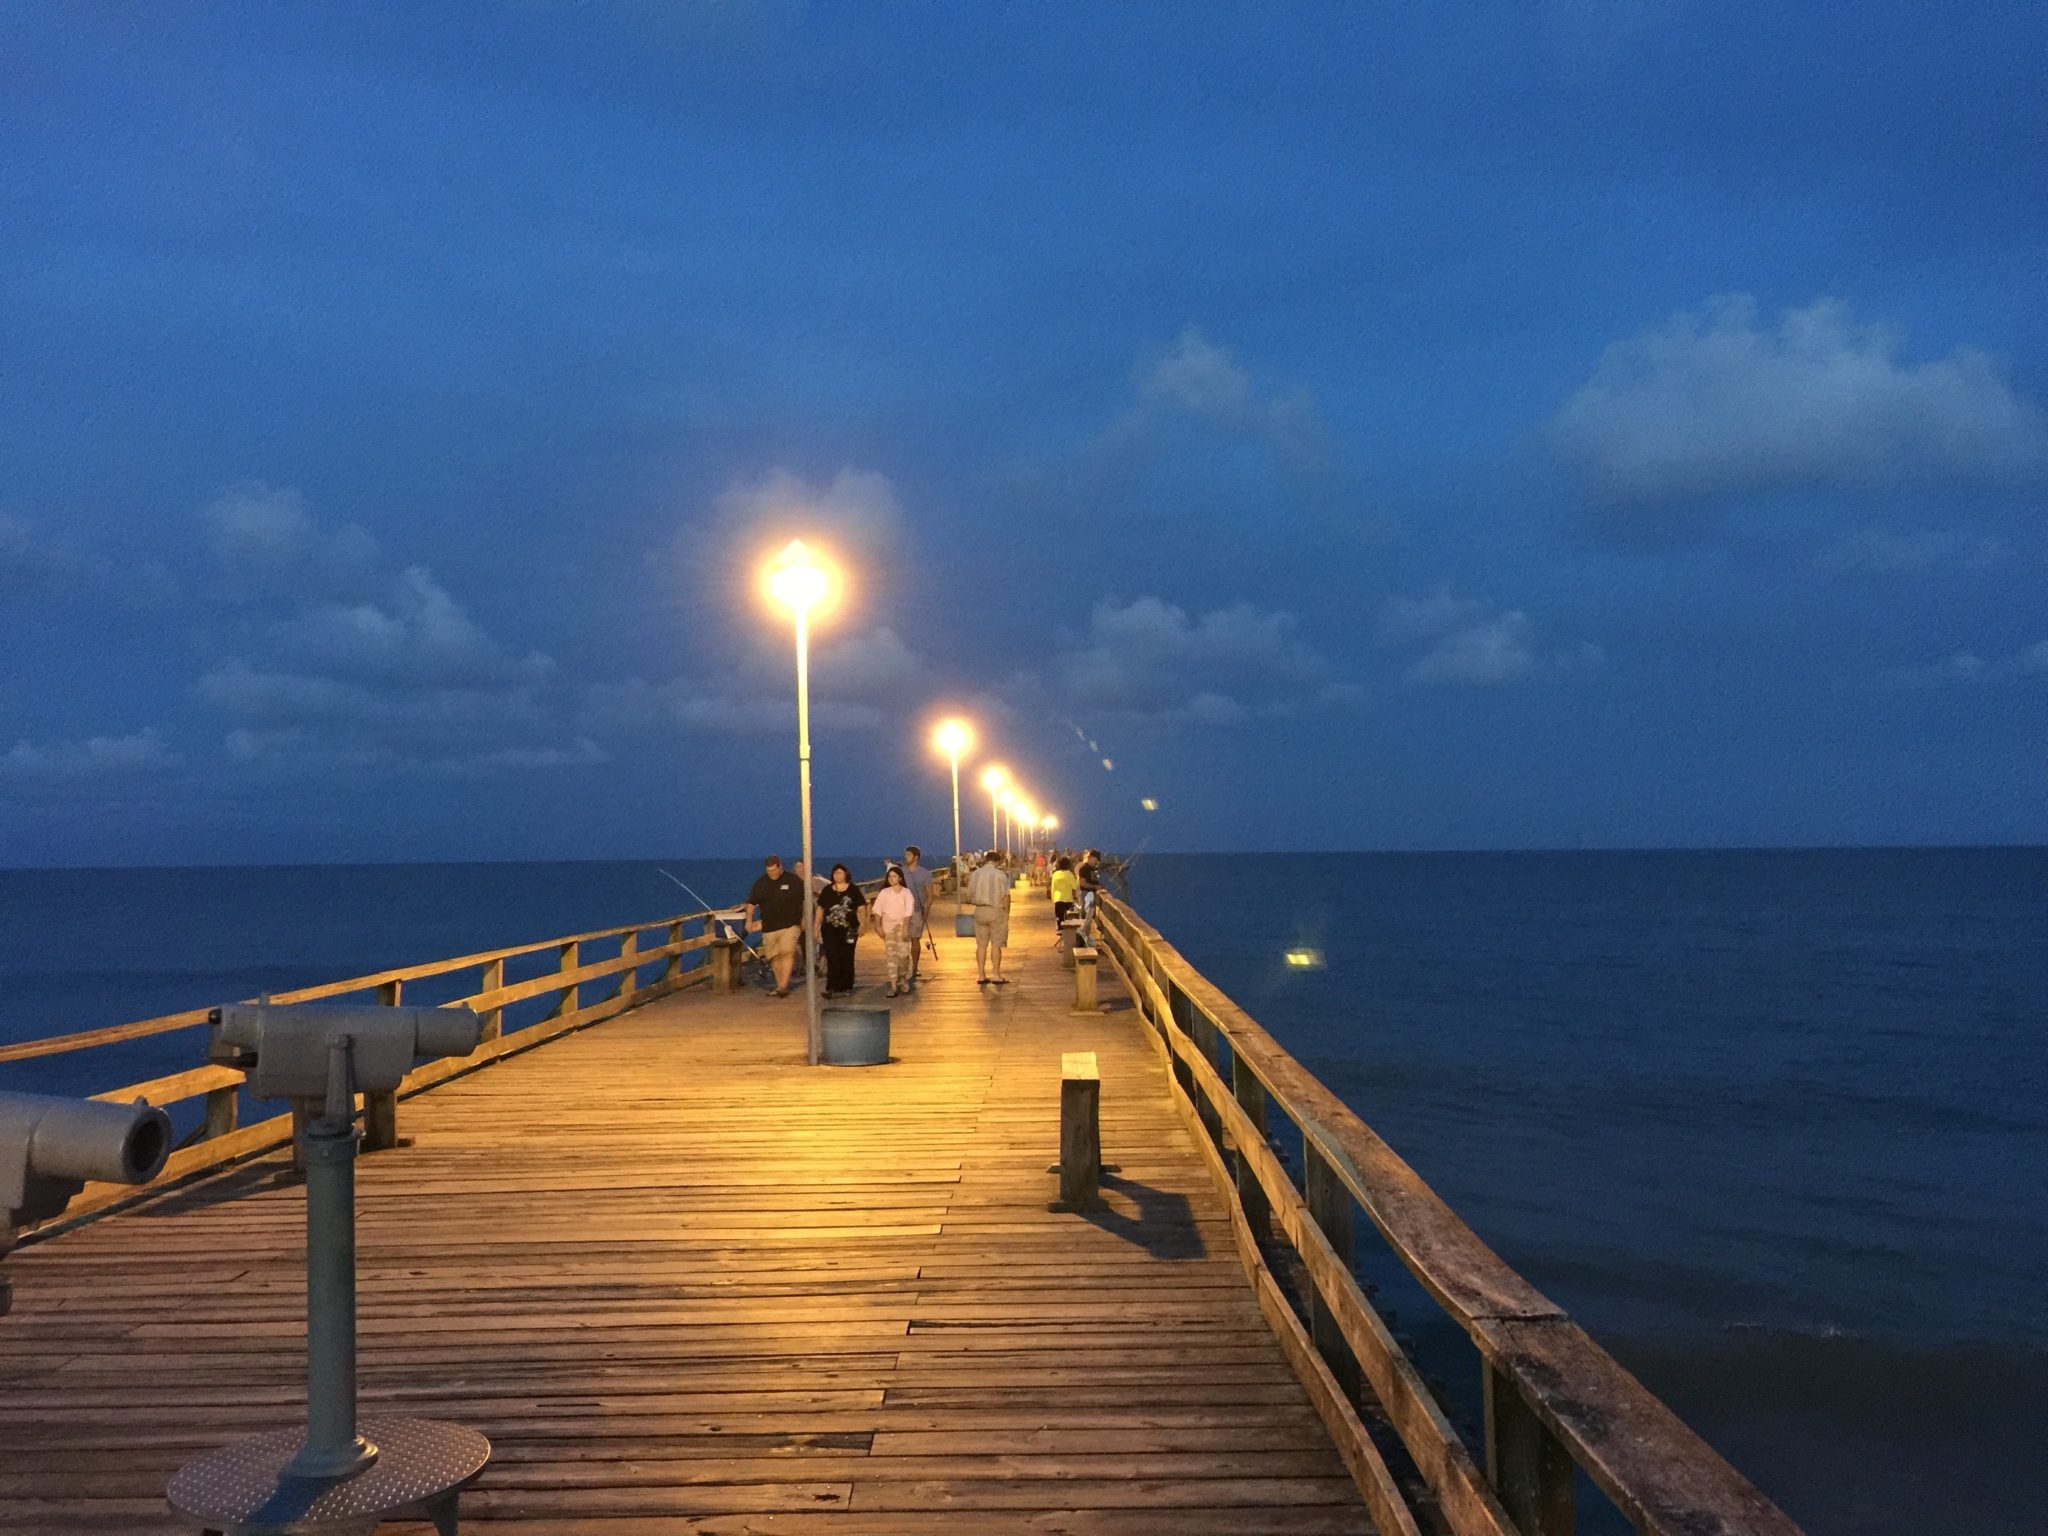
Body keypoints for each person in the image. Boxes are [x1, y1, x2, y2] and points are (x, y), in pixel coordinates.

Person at [743, 854, 805, 998]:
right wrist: (749, 920)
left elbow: (804, 900)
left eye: (774, 870)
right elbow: (752, 903)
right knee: (774, 956)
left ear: (780, 867)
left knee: (787, 951)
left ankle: (784, 985)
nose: (772, 874)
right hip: (769, 925)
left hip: (790, 923)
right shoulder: (761, 883)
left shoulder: (793, 880)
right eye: (769, 871)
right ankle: (780, 984)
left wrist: (804, 920)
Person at [815, 863, 866, 997]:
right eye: (835, 873)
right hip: (830, 930)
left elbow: (861, 908)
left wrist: (863, 924)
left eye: (841, 873)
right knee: (832, 957)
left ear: (846, 874)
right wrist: (815, 928)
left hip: (849, 930)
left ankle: (846, 986)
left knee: (847, 957)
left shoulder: (853, 890)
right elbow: (820, 909)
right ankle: (832, 986)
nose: (838, 875)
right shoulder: (827, 890)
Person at [966, 848, 1012, 987]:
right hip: (996, 910)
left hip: (979, 910)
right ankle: (996, 975)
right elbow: (1006, 896)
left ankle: (981, 975)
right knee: (996, 944)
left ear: (986, 861)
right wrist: (1007, 914)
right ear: (997, 861)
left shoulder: (975, 874)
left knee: (981, 945)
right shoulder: (1000, 875)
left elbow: (969, 894)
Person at [871, 864, 918, 997]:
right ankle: (892, 984)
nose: (892, 879)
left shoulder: (906, 893)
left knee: (903, 955)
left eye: (894, 876)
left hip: (902, 926)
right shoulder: (884, 893)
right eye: (890, 876)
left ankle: (902, 978)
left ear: (900, 878)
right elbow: (878, 911)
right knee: (891, 956)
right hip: (888, 928)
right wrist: (878, 926)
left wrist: (904, 928)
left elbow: (908, 911)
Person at [900, 845, 934, 989]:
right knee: (901, 942)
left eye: (908, 855)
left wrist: (926, 910)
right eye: (905, 854)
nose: (905, 857)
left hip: (916, 911)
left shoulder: (925, 873)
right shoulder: (901, 872)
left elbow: (930, 894)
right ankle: (901, 970)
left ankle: (914, 967)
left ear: (916, 857)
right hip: (900, 912)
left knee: (915, 940)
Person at [1049, 854, 1078, 932]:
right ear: (1068, 865)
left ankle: (1059, 929)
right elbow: (1075, 886)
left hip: (1058, 899)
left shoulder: (1055, 874)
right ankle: (1068, 933)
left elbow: (1053, 887)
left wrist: (1053, 898)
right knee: (1068, 918)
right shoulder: (1070, 875)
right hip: (1068, 899)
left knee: (1059, 916)